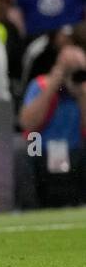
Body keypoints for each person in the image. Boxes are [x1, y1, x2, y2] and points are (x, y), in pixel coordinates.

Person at [19, 41, 86, 207]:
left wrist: (81, 95)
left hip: (75, 153)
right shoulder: (41, 85)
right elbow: (28, 124)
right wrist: (52, 88)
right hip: (41, 151)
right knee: (26, 149)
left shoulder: (83, 91)